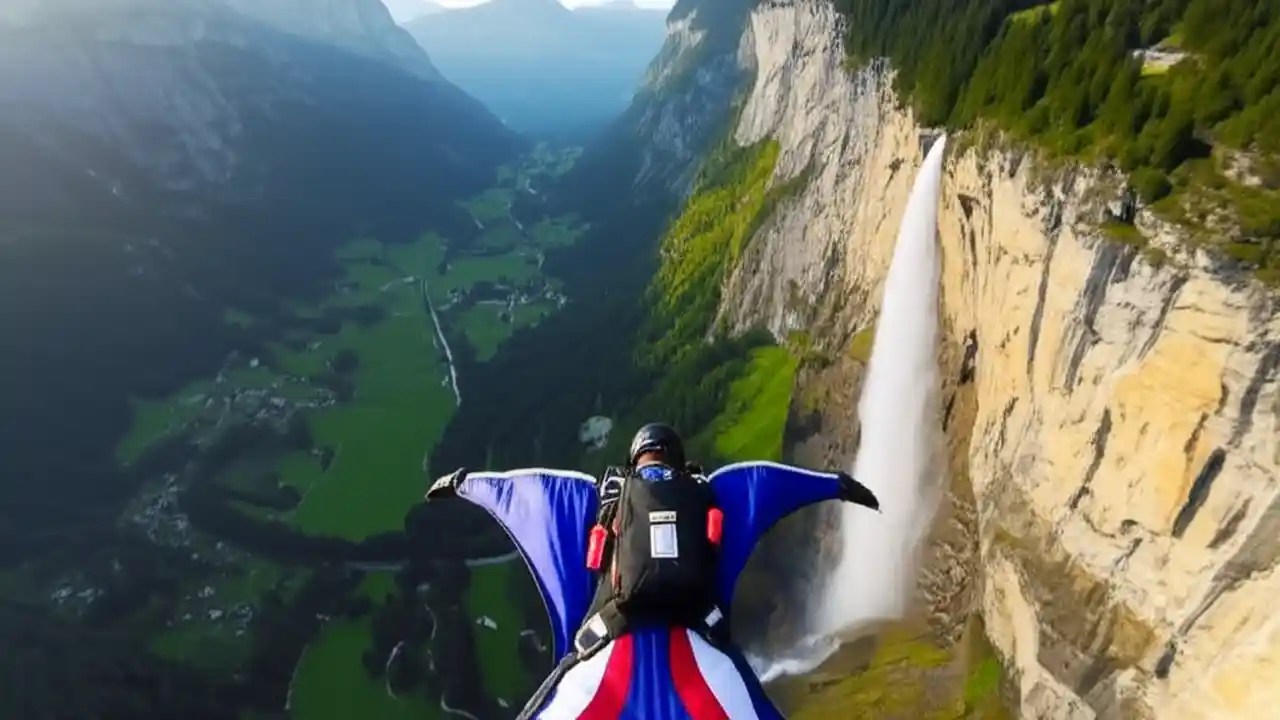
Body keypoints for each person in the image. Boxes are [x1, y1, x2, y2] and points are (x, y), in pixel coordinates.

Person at [426, 422, 880, 719]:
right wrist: (839, 486)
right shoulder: (715, 492)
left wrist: (464, 483)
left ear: (633, 463)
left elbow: (529, 495)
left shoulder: (596, 500)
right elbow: (769, 481)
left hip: (601, 659)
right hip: (706, 668)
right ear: (679, 463)